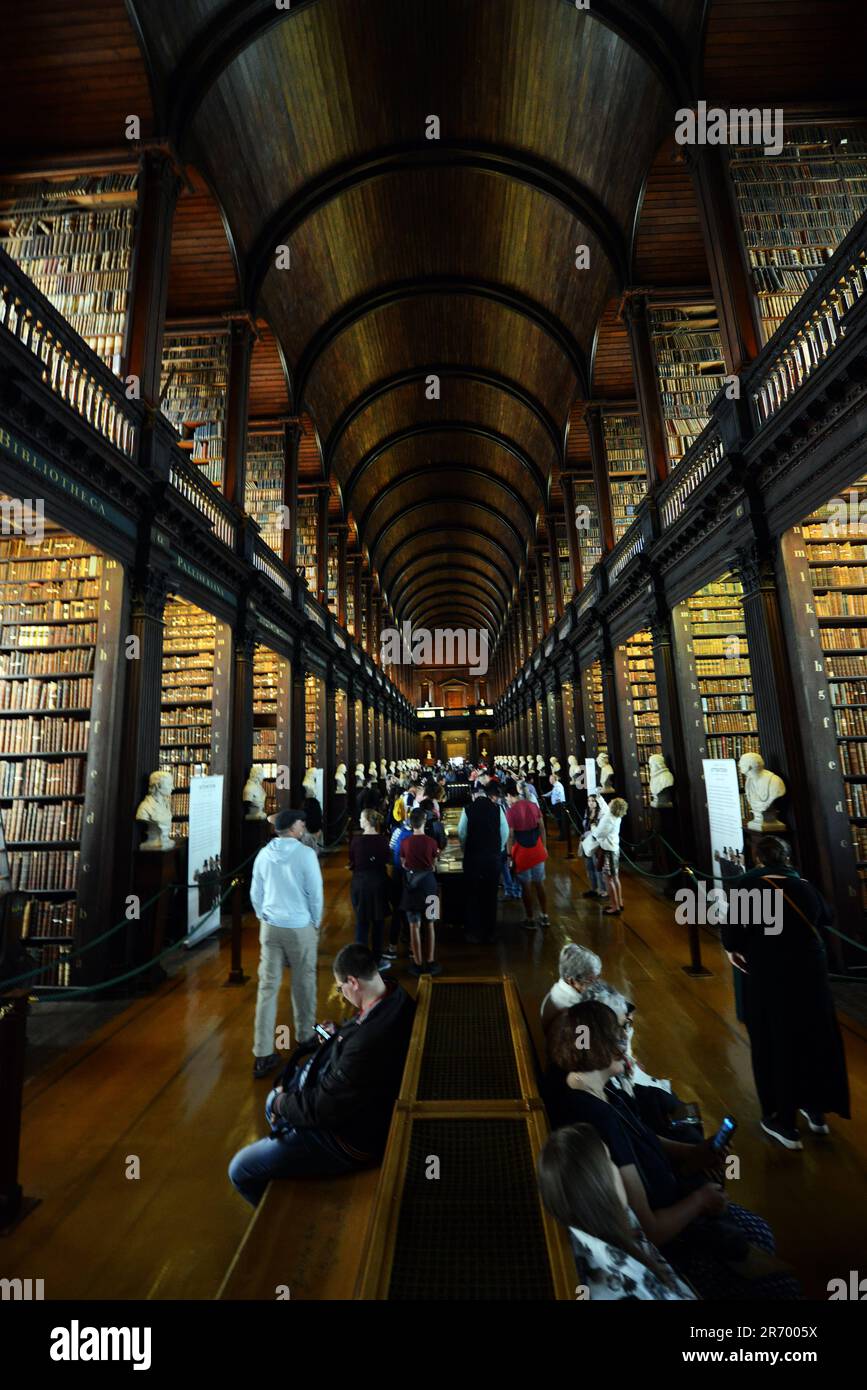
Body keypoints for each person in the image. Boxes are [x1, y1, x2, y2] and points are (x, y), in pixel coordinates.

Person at [543, 1002, 799, 1299]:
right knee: (762, 1240)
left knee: (755, 1233)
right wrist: (700, 1201)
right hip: (675, 1242)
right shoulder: (598, 1119)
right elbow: (650, 1229)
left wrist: (693, 1152)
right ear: (604, 1045)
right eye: (618, 1034)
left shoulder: (593, 1086)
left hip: (676, 1200)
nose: (624, 1041)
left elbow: (642, 1136)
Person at [228, 945, 415, 1205]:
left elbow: (324, 1107)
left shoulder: (365, 1041)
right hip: (367, 1110)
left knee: (240, 1169)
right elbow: (355, 1051)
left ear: (353, 981)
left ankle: (279, 1220)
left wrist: (280, 1102)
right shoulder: (396, 997)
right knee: (283, 1113)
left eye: (341, 988)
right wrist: (335, 1036)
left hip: (351, 1141)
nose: (342, 994)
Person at [722, 835, 850, 1151]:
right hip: (810, 976)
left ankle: (783, 1120)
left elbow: (732, 935)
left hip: (770, 977)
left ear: (759, 860)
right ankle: (816, 1110)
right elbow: (827, 918)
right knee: (813, 1036)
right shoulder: (804, 886)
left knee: (773, 1041)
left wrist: (733, 950)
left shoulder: (748, 888)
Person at [537, 1124, 696, 1301]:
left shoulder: (582, 1220)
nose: (617, 1170)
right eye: (610, 1161)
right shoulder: (626, 1287)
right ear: (602, 1186)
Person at [249, 809, 324, 1080]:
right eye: (301, 822)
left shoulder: (263, 855)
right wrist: (315, 922)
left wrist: (263, 916)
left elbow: (255, 892)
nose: (304, 825)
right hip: (299, 925)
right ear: (293, 828)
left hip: (270, 927)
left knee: (267, 987)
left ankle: (263, 1051)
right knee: (303, 981)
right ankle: (305, 1036)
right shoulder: (305, 855)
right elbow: (314, 892)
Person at [458, 781, 509, 945]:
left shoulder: (467, 809)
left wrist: (466, 848)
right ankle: (490, 931)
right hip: (492, 859)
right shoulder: (498, 809)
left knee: (472, 894)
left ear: (474, 796)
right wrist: (498, 848)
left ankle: (473, 932)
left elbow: (461, 832)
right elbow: (505, 831)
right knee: (490, 894)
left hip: (473, 858)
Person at [400, 806, 442, 976]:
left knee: (414, 925)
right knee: (430, 924)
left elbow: (403, 863)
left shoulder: (405, 843)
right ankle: (430, 961)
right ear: (424, 822)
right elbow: (434, 865)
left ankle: (417, 963)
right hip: (430, 887)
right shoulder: (432, 842)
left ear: (410, 823)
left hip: (412, 888)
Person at [348, 809, 391, 970]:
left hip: (360, 884)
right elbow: (387, 859)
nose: (359, 820)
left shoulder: (356, 841)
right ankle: (377, 960)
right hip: (379, 883)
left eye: (361, 818)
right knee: (378, 923)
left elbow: (352, 861)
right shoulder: (383, 840)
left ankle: (361, 962)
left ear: (366, 821)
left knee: (362, 923)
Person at [505, 781, 549, 930]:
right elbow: (542, 827)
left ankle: (530, 918)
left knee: (526, 886)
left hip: (522, 851)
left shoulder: (510, 811)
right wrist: (544, 846)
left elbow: (510, 836)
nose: (507, 801)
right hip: (537, 849)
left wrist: (509, 855)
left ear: (510, 796)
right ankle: (544, 915)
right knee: (540, 884)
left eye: (507, 798)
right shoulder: (533, 806)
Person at [540, 943, 603, 1031]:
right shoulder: (572, 1009)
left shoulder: (561, 987)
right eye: (590, 981)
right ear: (572, 981)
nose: (594, 984)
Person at [589, 796, 627, 915]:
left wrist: (593, 826)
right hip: (614, 849)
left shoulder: (608, 819)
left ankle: (614, 907)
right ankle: (619, 903)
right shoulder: (616, 816)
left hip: (608, 851)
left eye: (611, 801)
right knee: (615, 878)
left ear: (613, 806)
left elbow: (599, 833)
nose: (609, 802)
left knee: (608, 879)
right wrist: (599, 798)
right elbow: (605, 808)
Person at [580, 794, 606, 900]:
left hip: (596, 844)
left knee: (598, 866)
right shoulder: (587, 812)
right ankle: (593, 888)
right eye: (589, 800)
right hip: (587, 842)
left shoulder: (601, 814)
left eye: (593, 801)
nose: (591, 803)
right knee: (589, 866)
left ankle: (603, 890)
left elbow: (600, 830)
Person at [543, 773, 567, 839]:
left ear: (554, 779)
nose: (549, 780)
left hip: (559, 805)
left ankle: (562, 836)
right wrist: (544, 795)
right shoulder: (555, 786)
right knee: (559, 821)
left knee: (560, 821)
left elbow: (560, 795)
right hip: (557, 805)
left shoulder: (558, 786)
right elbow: (551, 792)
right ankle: (561, 835)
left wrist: (557, 801)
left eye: (550, 779)